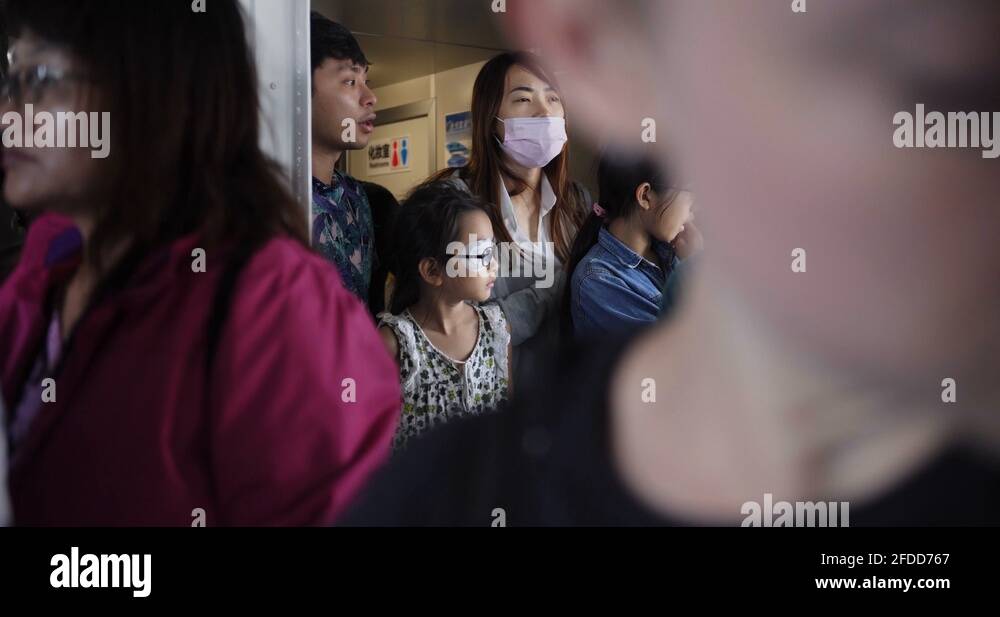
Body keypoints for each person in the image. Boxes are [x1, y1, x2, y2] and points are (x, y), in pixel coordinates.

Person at [341, 0, 1000, 526]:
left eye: (553, 100)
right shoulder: (446, 487)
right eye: (942, 76)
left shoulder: (574, 207)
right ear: (594, 42)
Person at [0, 0, 400, 526]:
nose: (11, 113)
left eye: (42, 77)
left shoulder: (275, 304)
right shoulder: (46, 266)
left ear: (155, 86)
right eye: (11, 79)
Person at [427, 51, 588, 385]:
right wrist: (555, 287)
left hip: (564, 401)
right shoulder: (454, 200)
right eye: (523, 99)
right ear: (491, 117)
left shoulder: (576, 202)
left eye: (553, 98)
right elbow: (456, 323)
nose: (544, 112)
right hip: (485, 402)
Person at [377, 183, 511, 451]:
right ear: (432, 270)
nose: (493, 264)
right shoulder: (395, 343)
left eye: (492, 251)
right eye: (481, 254)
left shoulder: (496, 329)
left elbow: (508, 418)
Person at [564, 150, 698, 339]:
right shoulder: (598, 281)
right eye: (690, 198)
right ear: (645, 196)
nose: (692, 212)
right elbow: (689, 351)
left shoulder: (670, 252)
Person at [310, 12, 379, 304]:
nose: (370, 96)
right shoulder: (271, 196)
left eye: (366, 79)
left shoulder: (355, 196)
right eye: (350, 81)